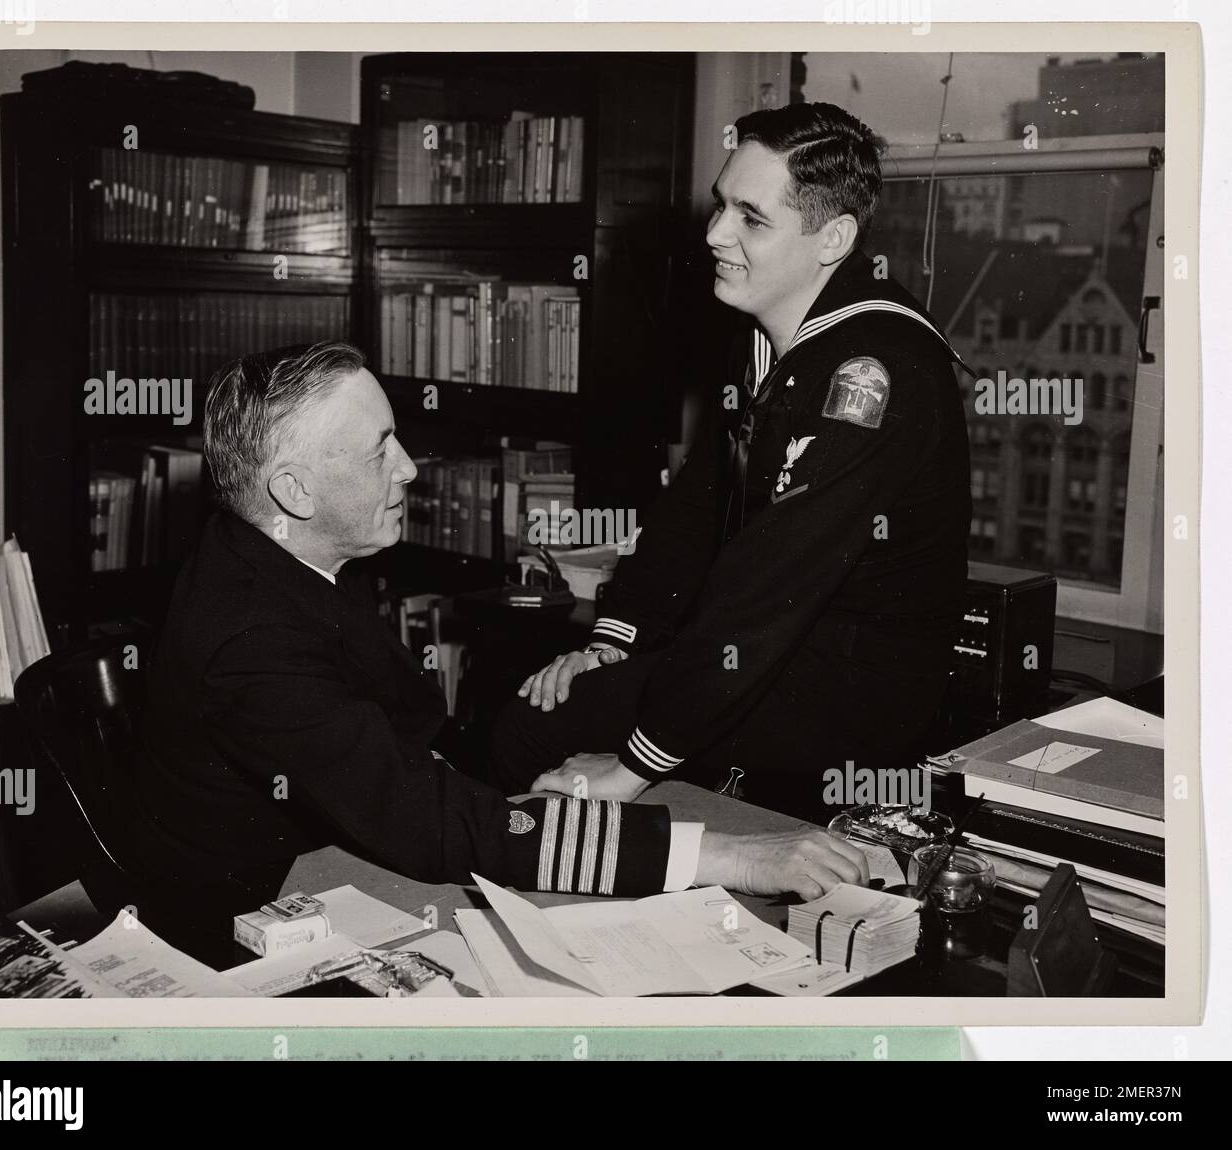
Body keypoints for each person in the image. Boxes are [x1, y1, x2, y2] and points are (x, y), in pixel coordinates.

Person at [122, 341, 869, 958]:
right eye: (380, 451)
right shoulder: (251, 640)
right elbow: (428, 824)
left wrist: (519, 805)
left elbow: (417, 739)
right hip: (246, 917)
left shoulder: (278, 552)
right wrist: (731, 857)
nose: (410, 468)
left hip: (326, 847)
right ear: (294, 490)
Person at [493, 101, 972, 820]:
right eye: (721, 205)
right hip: (775, 650)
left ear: (832, 238)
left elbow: (768, 584)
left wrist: (635, 765)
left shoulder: (873, 373)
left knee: (532, 733)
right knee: (544, 699)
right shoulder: (766, 332)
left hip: (848, 691)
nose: (715, 233)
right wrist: (610, 645)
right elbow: (695, 510)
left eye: (751, 217)